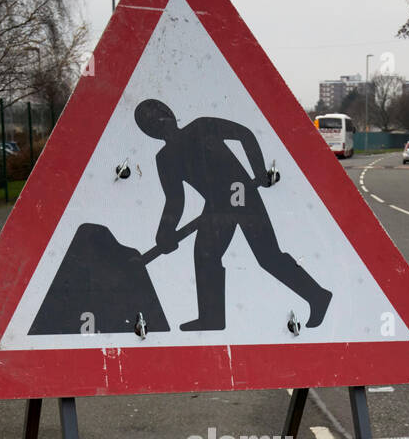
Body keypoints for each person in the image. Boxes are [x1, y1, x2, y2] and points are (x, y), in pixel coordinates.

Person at [134, 99, 332, 331]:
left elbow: (244, 134)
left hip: (242, 192)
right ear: (149, 132)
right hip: (216, 205)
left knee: (268, 256)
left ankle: (317, 296)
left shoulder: (201, 126)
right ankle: (211, 317)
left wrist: (259, 171)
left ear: (169, 114)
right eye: (151, 124)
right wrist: (165, 232)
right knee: (205, 255)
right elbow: (175, 200)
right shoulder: (165, 158)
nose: (159, 125)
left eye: (159, 117)